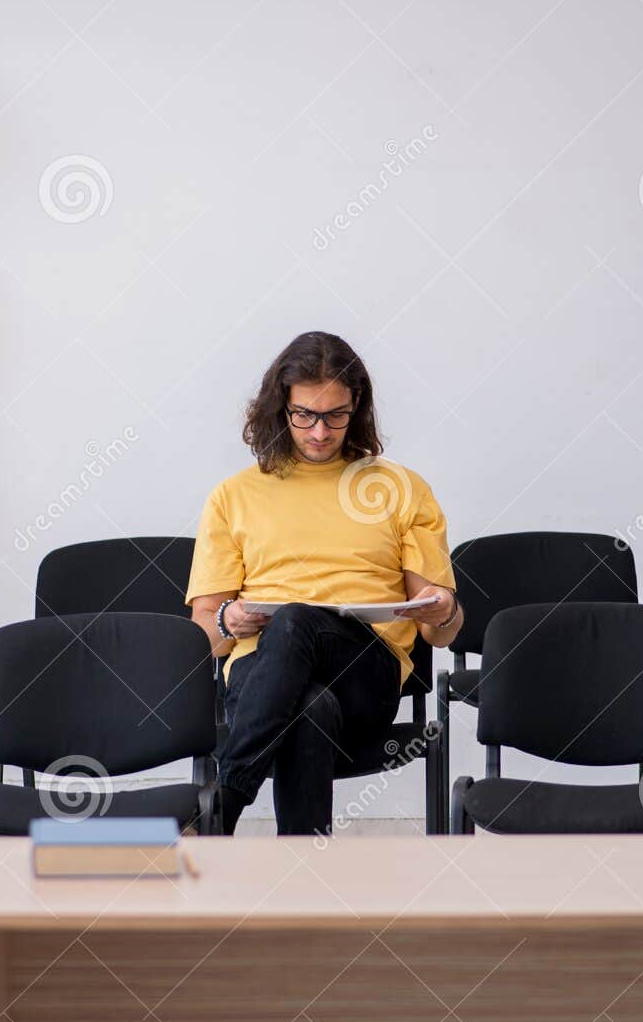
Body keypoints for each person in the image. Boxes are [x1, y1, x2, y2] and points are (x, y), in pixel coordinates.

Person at [186, 330, 463, 835]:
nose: (319, 432)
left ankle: (223, 804)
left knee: (296, 620)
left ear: (356, 407)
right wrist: (228, 618)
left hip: (365, 676)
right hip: (259, 676)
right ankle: (306, 894)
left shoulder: (401, 489)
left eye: (336, 415)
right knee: (309, 705)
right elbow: (205, 634)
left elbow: (438, 632)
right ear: (281, 407)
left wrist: (443, 610)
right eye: (305, 415)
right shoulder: (233, 496)